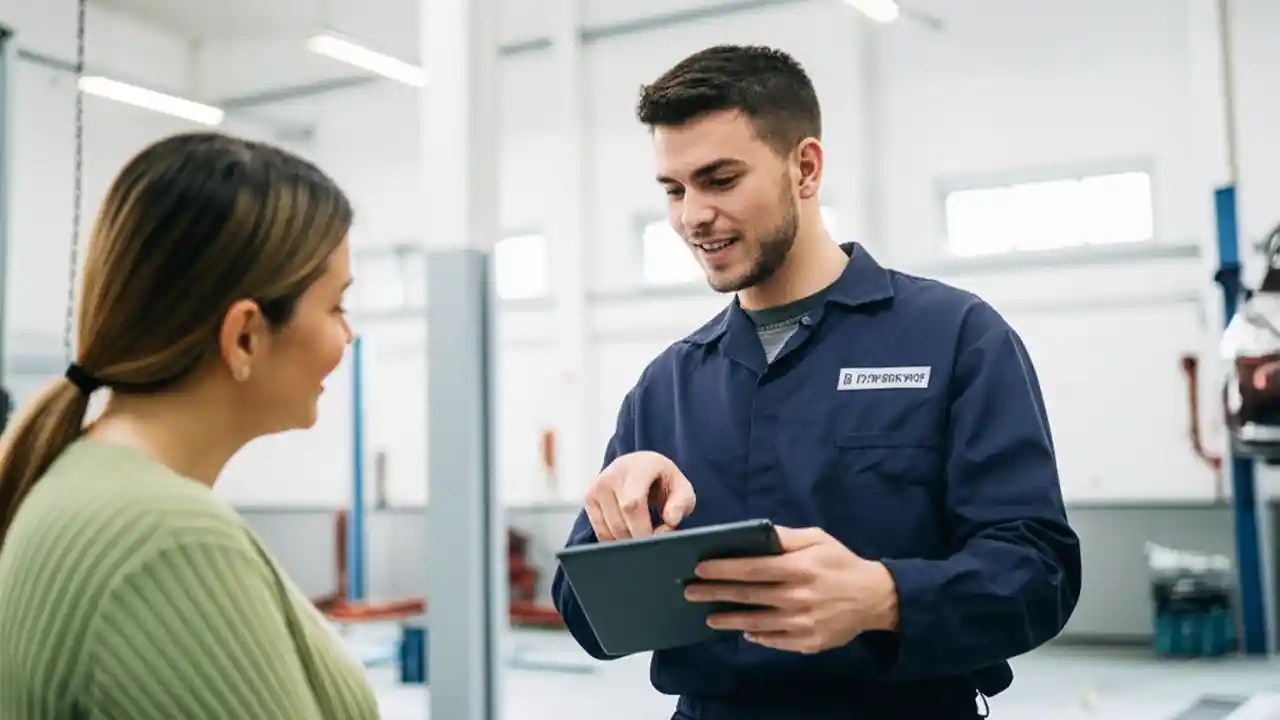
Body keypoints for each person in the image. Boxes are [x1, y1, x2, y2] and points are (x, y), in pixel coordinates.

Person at [551, 45, 1083, 719]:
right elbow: (585, 617)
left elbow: (1040, 573)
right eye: (675, 189)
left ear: (804, 167)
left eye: (719, 179)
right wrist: (621, 525)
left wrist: (884, 597)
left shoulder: (956, 338)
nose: (692, 216)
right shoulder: (668, 387)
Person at [0, 133, 379, 719]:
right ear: (245, 335)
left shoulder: (86, 485)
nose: (347, 336)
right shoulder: (165, 541)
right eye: (336, 307)